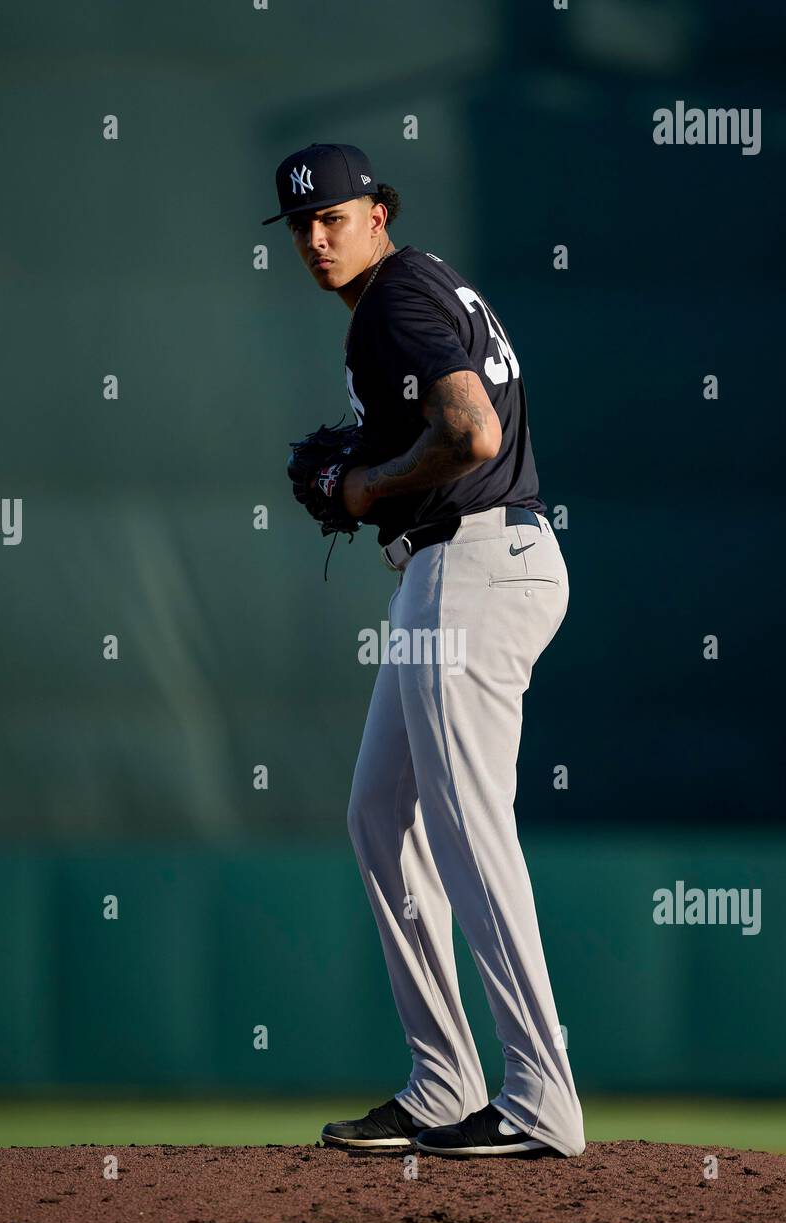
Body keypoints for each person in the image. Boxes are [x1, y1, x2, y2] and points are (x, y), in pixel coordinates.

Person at [262, 143, 586, 1159]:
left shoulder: (394, 300)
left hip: (474, 566)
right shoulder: (420, 288)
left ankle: (540, 1097)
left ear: (378, 212)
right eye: (301, 226)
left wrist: (359, 488)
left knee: (466, 827)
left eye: (336, 217)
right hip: (457, 568)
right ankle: (444, 1081)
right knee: (380, 817)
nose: (318, 239)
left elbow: (470, 434)